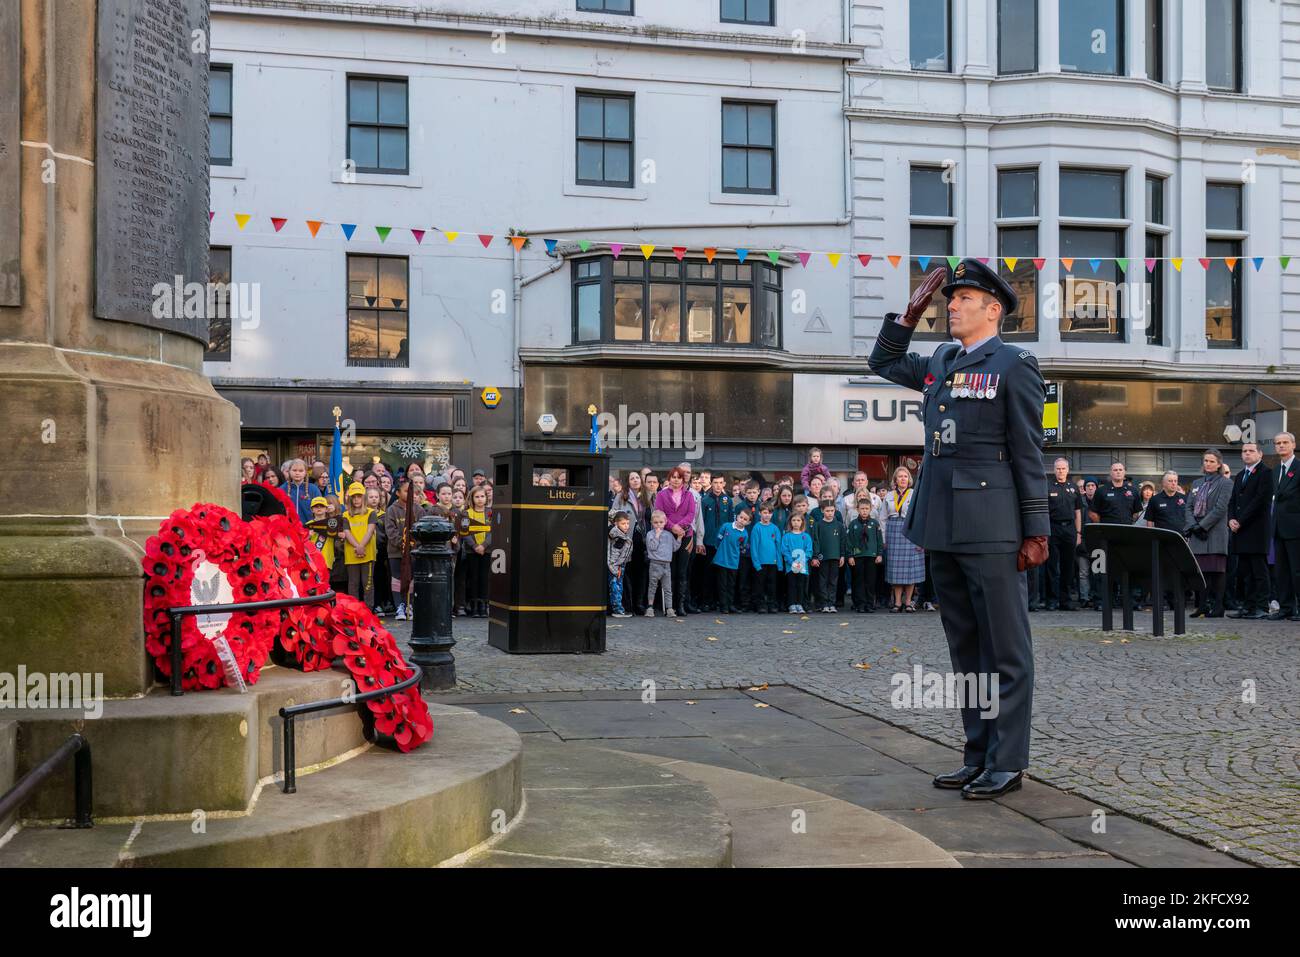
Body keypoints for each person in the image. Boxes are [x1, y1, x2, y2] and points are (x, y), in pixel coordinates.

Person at [869, 259, 1048, 800]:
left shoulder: (1014, 365)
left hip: (993, 527)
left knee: (1006, 651)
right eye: (950, 299)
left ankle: (1008, 761)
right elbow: (882, 362)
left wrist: (1036, 528)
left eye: (963, 300)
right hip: (942, 523)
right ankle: (977, 754)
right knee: (966, 650)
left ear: (993, 310)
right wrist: (907, 316)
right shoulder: (943, 358)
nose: (952, 306)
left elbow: (1027, 450)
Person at [1227, 443, 1273, 620]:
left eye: (1251, 451)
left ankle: (1262, 607)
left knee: (1259, 572)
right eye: (1244, 451)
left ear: (1260, 454)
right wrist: (1230, 518)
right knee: (1245, 573)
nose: (1247, 454)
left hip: (1256, 530)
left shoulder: (1265, 473)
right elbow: (1232, 501)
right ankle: (1248, 606)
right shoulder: (1239, 475)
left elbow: (1260, 500)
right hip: (1240, 530)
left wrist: (1240, 520)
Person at [1185, 449, 1232, 618]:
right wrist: (1193, 526)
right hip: (1197, 533)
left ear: (1219, 464)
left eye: (1212, 461)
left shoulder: (1226, 483)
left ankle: (1218, 606)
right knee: (1201, 572)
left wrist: (1202, 526)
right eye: (1206, 461)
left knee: (1217, 571)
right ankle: (1202, 605)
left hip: (1215, 532)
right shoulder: (1197, 483)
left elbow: (1220, 508)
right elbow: (1188, 507)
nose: (1208, 464)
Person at [384, 479, 431, 621]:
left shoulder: (419, 509)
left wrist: (413, 544)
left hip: (414, 551)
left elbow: (423, 529)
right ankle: (400, 605)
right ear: (398, 493)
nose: (410, 494)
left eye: (414, 492)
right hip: (396, 552)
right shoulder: (391, 510)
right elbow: (390, 531)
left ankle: (411, 605)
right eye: (406, 491)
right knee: (397, 579)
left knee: (411, 578)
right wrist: (403, 544)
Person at [654, 466, 697, 617]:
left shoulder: (689, 495)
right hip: (667, 536)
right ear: (669, 478)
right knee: (669, 571)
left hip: (686, 536)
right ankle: (669, 606)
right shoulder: (661, 495)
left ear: (683, 479)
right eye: (674, 477)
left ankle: (680, 605)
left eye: (679, 477)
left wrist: (681, 527)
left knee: (682, 571)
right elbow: (659, 514)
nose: (676, 480)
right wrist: (673, 527)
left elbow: (691, 514)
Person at [879, 467, 923, 613]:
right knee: (895, 571)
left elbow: (920, 517)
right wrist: (884, 539)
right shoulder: (889, 496)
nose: (903, 479)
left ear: (909, 479)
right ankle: (898, 602)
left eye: (905, 476)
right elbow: (883, 519)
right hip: (893, 533)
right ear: (895, 480)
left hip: (910, 531)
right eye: (900, 476)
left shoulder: (915, 494)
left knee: (910, 571)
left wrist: (920, 539)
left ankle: (909, 602)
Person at [1268, 431, 1300, 621]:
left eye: (1285, 442)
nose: (1281, 446)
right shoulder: (1275, 471)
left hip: (1296, 528)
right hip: (1278, 528)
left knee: (1297, 570)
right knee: (1282, 571)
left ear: (1293, 445)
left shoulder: (1298, 468)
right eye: (1278, 443)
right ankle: (1286, 607)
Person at [1045, 457, 1083, 610]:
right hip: (1053, 529)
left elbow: (1078, 512)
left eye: (1063, 468)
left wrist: (1078, 532)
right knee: (1052, 566)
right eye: (1058, 468)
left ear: (1068, 470)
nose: (1060, 471)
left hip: (1069, 530)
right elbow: (1044, 512)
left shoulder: (1073, 488)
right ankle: (1051, 600)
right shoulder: (1047, 487)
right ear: (1054, 470)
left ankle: (1065, 600)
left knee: (1068, 567)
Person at [340, 482, 377, 608]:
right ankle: (354, 610)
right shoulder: (345, 515)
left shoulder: (371, 512)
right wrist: (358, 546)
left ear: (364, 497)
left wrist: (361, 546)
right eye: (354, 497)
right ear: (350, 498)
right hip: (352, 554)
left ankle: (368, 611)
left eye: (359, 496)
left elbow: (370, 530)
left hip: (368, 553)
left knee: (367, 584)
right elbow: (347, 532)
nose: (356, 499)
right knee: (353, 584)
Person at [699, 474, 733, 612]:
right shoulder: (705, 500)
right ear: (711, 484)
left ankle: (721, 601)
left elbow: (731, 521)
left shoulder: (728, 500)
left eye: (720, 483)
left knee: (722, 574)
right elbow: (701, 522)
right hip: (709, 541)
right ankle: (707, 601)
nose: (718, 485)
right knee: (708, 573)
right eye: (715, 482)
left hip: (723, 543)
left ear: (724, 484)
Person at [846, 499, 884, 612]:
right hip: (858, 556)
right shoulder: (853, 524)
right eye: (862, 509)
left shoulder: (875, 524)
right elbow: (849, 541)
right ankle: (860, 604)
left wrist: (879, 554)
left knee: (870, 581)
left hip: (871, 556)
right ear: (857, 509)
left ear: (870, 509)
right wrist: (850, 556)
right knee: (859, 581)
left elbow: (879, 540)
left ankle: (869, 604)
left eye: (866, 509)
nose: (864, 511)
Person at [712, 508, 751, 615]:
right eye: (741, 517)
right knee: (722, 584)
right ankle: (723, 605)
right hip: (722, 560)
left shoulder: (745, 534)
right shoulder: (726, 526)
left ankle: (730, 604)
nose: (742, 520)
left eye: (745, 519)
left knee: (731, 584)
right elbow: (718, 540)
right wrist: (719, 549)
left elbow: (742, 547)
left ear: (748, 522)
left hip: (734, 562)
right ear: (737, 516)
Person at [809, 498, 845, 614]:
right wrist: (815, 556)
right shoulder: (818, 525)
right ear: (822, 511)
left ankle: (831, 603)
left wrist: (842, 555)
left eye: (832, 510)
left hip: (835, 557)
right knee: (822, 581)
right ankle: (824, 603)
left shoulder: (839, 525)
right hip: (823, 557)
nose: (830, 513)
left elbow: (842, 541)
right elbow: (816, 540)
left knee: (833, 581)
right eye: (827, 511)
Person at [644, 509, 679, 618]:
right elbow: (652, 547)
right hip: (655, 564)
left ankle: (669, 608)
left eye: (661, 522)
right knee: (652, 587)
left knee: (668, 588)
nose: (658, 525)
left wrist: (680, 538)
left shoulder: (668, 535)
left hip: (666, 565)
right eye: (655, 522)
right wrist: (657, 536)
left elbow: (674, 548)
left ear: (665, 522)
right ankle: (650, 607)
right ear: (652, 523)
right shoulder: (650, 534)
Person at [463, 485, 491, 618]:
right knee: (473, 577)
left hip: (487, 550)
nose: (480, 499)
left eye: (482, 496)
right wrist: (475, 546)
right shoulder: (466, 513)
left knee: (484, 578)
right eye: (477, 497)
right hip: (471, 551)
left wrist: (484, 545)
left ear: (486, 498)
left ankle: (483, 605)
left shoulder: (491, 512)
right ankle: (473, 605)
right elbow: (465, 532)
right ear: (472, 498)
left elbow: (494, 531)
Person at [748, 503, 783, 614]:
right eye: (765, 513)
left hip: (773, 562)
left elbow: (778, 546)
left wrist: (779, 563)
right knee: (760, 585)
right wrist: (756, 563)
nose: (767, 515)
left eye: (769, 513)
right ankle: (761, 604)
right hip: (760, 563)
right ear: (760, 513)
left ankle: (771, 603)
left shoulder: (775, 528)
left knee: (772, 585)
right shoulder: (756, 528)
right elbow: (754, 547)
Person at [781, 512, 813, 614]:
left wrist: (801, 562)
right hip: (791, 567)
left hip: (802, 567)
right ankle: (791, 604)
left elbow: (809, 551)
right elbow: (784, 551)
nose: (796, 523)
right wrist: (792, 562)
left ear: (802, 522)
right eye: (793, 520)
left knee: (801, 585)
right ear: (790, 522)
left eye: (798, 520)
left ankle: (799, 604)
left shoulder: (806, 536)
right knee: (792, 585)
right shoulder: (787, 536)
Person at [607, 512, 634, 619]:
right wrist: (615, 568)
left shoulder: (622, 536)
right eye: (623, 523)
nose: (626, 526)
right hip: (616, 567)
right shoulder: (619, 538)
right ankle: (617, 610)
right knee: (616, 589)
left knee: (619, 588)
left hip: (620, 566)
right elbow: (614, 555)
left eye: (628, 523)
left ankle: (618, 608)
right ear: (616, 524)